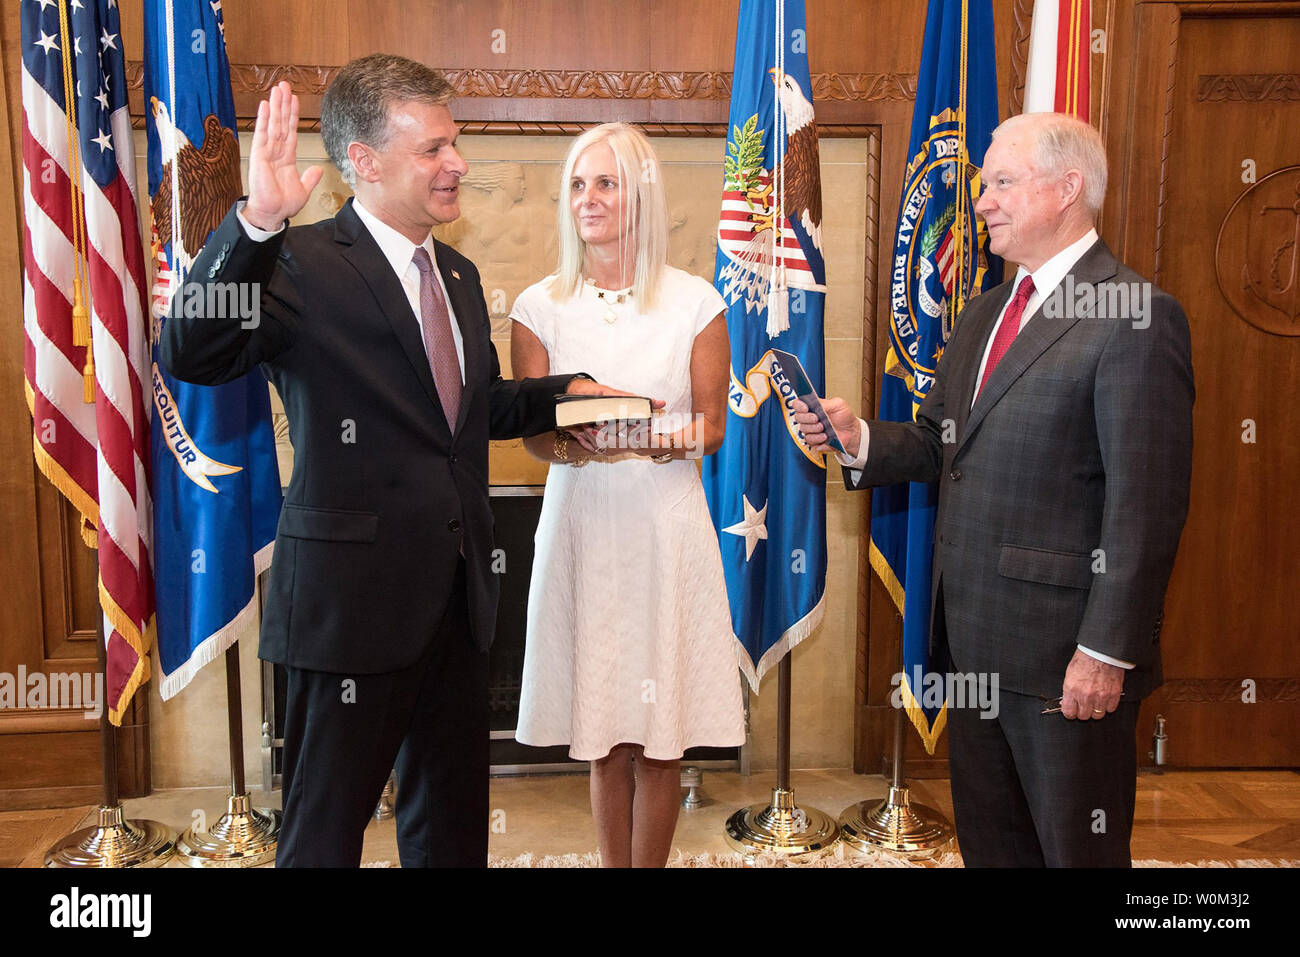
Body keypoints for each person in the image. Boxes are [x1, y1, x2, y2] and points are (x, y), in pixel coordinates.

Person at [159, 55, 629, 867]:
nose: (459, 165)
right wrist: (255, 225)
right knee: (322, 838)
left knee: (450, 836)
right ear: (365, 163)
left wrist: (563, 395)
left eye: (456, 143)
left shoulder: (456, 270)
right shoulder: (296, 262)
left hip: (456, 603)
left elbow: (463, 415)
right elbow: (190, 346)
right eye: (434, 149)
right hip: (348, 615)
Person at [795, 112, 1194, 867]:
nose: (981, 201)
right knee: (995, 849)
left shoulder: (1133, 316)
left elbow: (1146, 508)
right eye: (985, 183)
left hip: (1065, 662)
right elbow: (942, 443)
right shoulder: (985, 312)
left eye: (1002, 182)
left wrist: (1105, 651)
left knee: (1074, 852)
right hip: (975, 643)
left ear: (1068, 188)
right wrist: (860, 439)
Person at [509, 123, 746, 867]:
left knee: (659, 725)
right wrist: (578, 441)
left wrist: (639, 435)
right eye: (577, 184)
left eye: (605, 183)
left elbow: (709, 428)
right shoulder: (538, 304)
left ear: (640, 192)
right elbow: (535, 437)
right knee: (603, 725)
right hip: (581, 521)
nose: (588, 199)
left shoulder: (695, 301)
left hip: (663, 527)